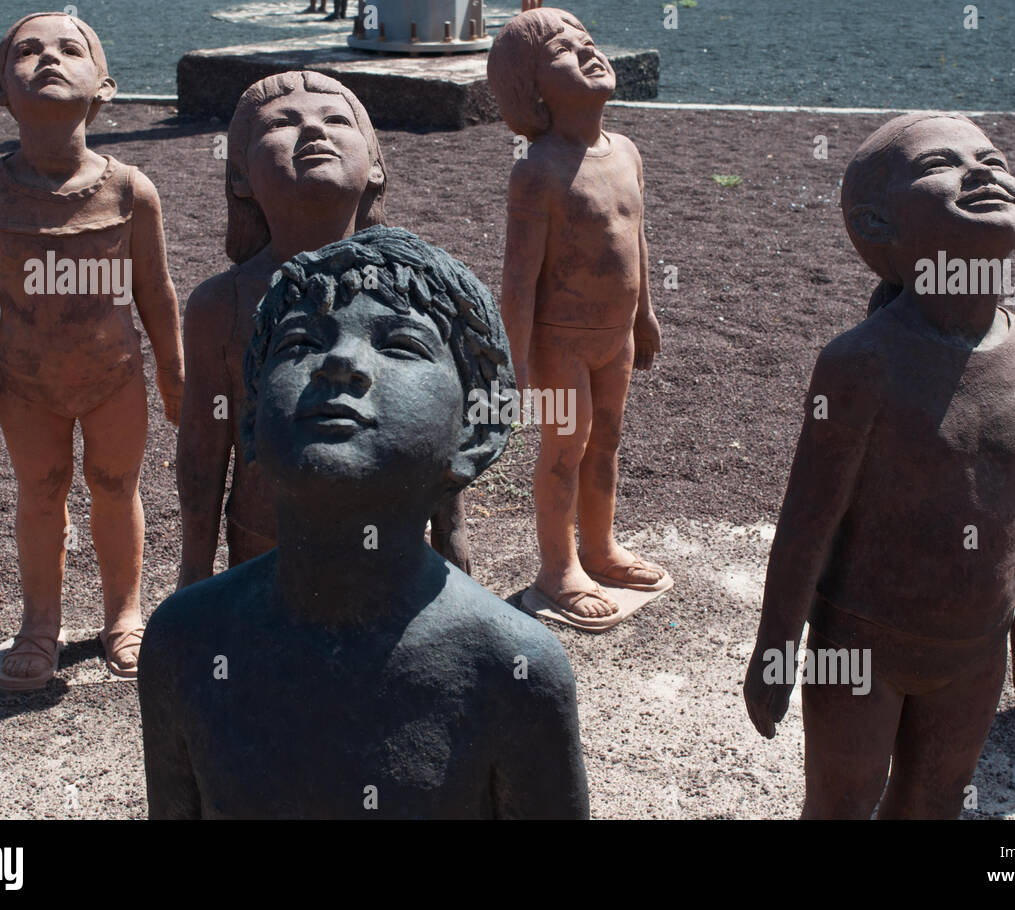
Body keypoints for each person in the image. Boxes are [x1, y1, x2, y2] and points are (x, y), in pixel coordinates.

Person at [141, 227, 589, 818]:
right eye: (300, 340)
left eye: (401, 345)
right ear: (250, 424)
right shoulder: (187, 642)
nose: (341, 363)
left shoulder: (511, 668)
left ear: (476, 429)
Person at [743, 113, 1015, 818]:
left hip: (977, 647)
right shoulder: (861, 365)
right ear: (876, 224)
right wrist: (778, 645)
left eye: (992, 157)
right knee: (842, 798)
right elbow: (808, 522)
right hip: (859, 642)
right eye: (940, 166)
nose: (981, 171)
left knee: (937, 797)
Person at [0, 12, 183, 689]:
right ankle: (40, 625)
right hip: (26, 384)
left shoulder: (131, 191)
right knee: (40, 494)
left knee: (116, 488)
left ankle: (123, 615)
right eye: (28, 51)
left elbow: (156, 293)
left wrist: (174, 371)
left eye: (69, 49)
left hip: (115, 379)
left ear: (103, 88)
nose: (48, 58)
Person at [177, 71, 474, 588]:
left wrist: (451, 531)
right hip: (267, 542)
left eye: (336, 119)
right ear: (239, 177)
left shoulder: (420, 288)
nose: (314, 131)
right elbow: (204, 446)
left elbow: (441, 418)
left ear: (376, 168)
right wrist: (195, 571)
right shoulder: (220, 305)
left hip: (394, 535)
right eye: (282, 123)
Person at [488, 8, 667, 631]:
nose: (588, 52)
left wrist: (645, 313)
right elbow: (518, 283)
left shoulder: (627, 152)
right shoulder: (535, 172)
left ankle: (600, 547)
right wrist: (508, 367)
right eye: (565, 51)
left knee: (607, 443)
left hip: (614, 337)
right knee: (564, 448)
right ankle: (557, 568)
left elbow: (637, 237)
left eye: (588, 40)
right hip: (558, 343)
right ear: (533, 91)